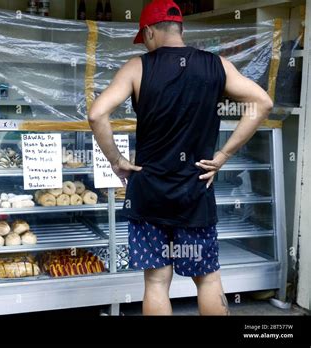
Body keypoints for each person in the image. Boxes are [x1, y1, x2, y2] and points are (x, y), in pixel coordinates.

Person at [88, 0, 273, 316]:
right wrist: (223, 154)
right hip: (194, 190)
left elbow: (97, 114)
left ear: (148, 32)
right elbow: (262, 102)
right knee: (208, 279)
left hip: (149, 192)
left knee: (157, 282)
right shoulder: (216, 65)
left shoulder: (137, 67)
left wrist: (116, 160)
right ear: (179, 29)